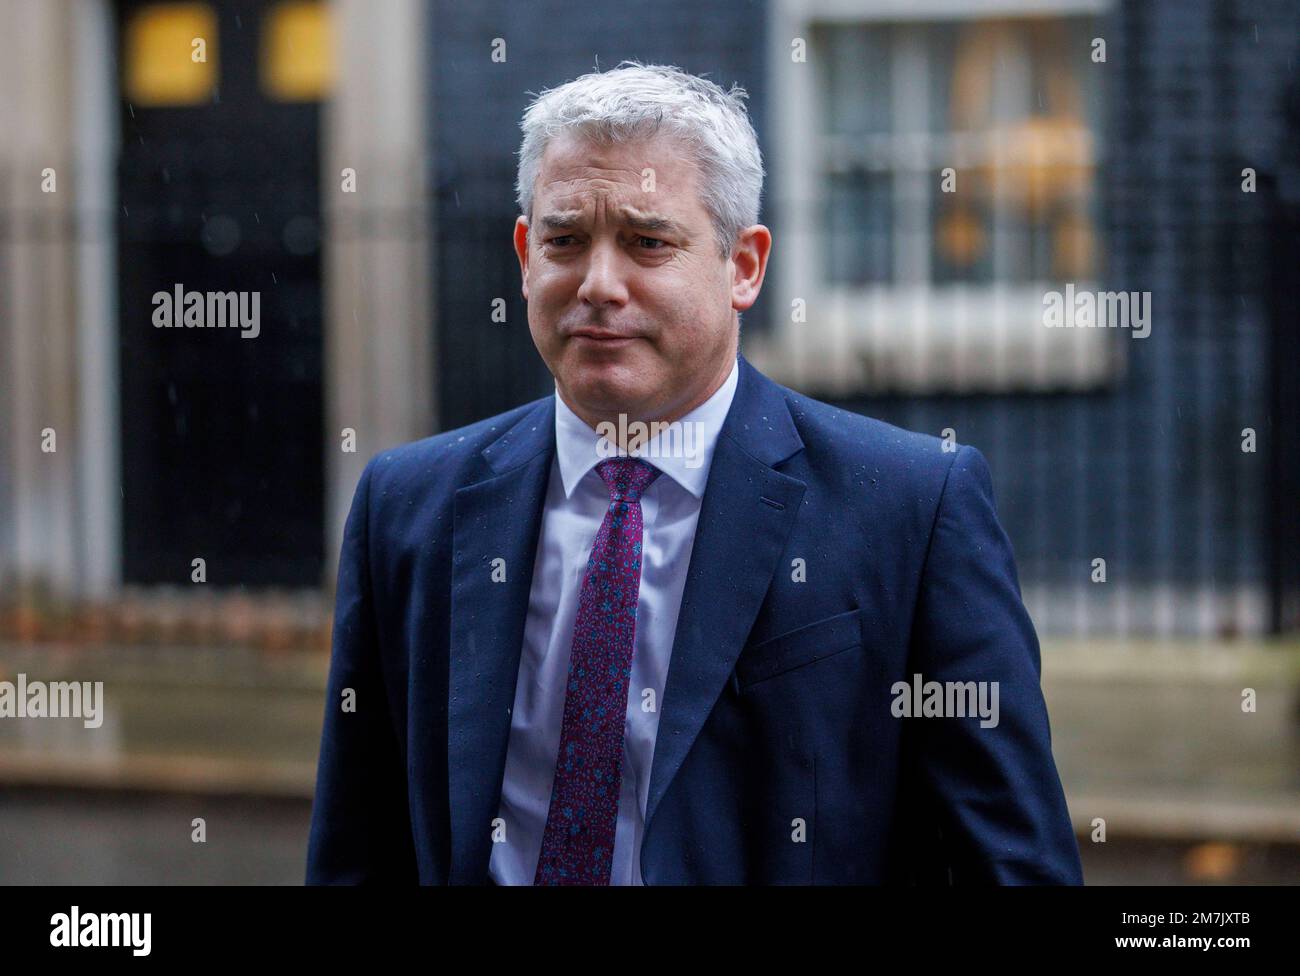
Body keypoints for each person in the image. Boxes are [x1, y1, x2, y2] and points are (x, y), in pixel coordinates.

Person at [306, 61, 1083, 885]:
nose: (600, 285)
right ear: (526, 256)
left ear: (743, 266)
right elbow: (359, 846)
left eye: (648, 242)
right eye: (566, 241)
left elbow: (1012, 861)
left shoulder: (911, 507)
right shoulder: (408, 506)